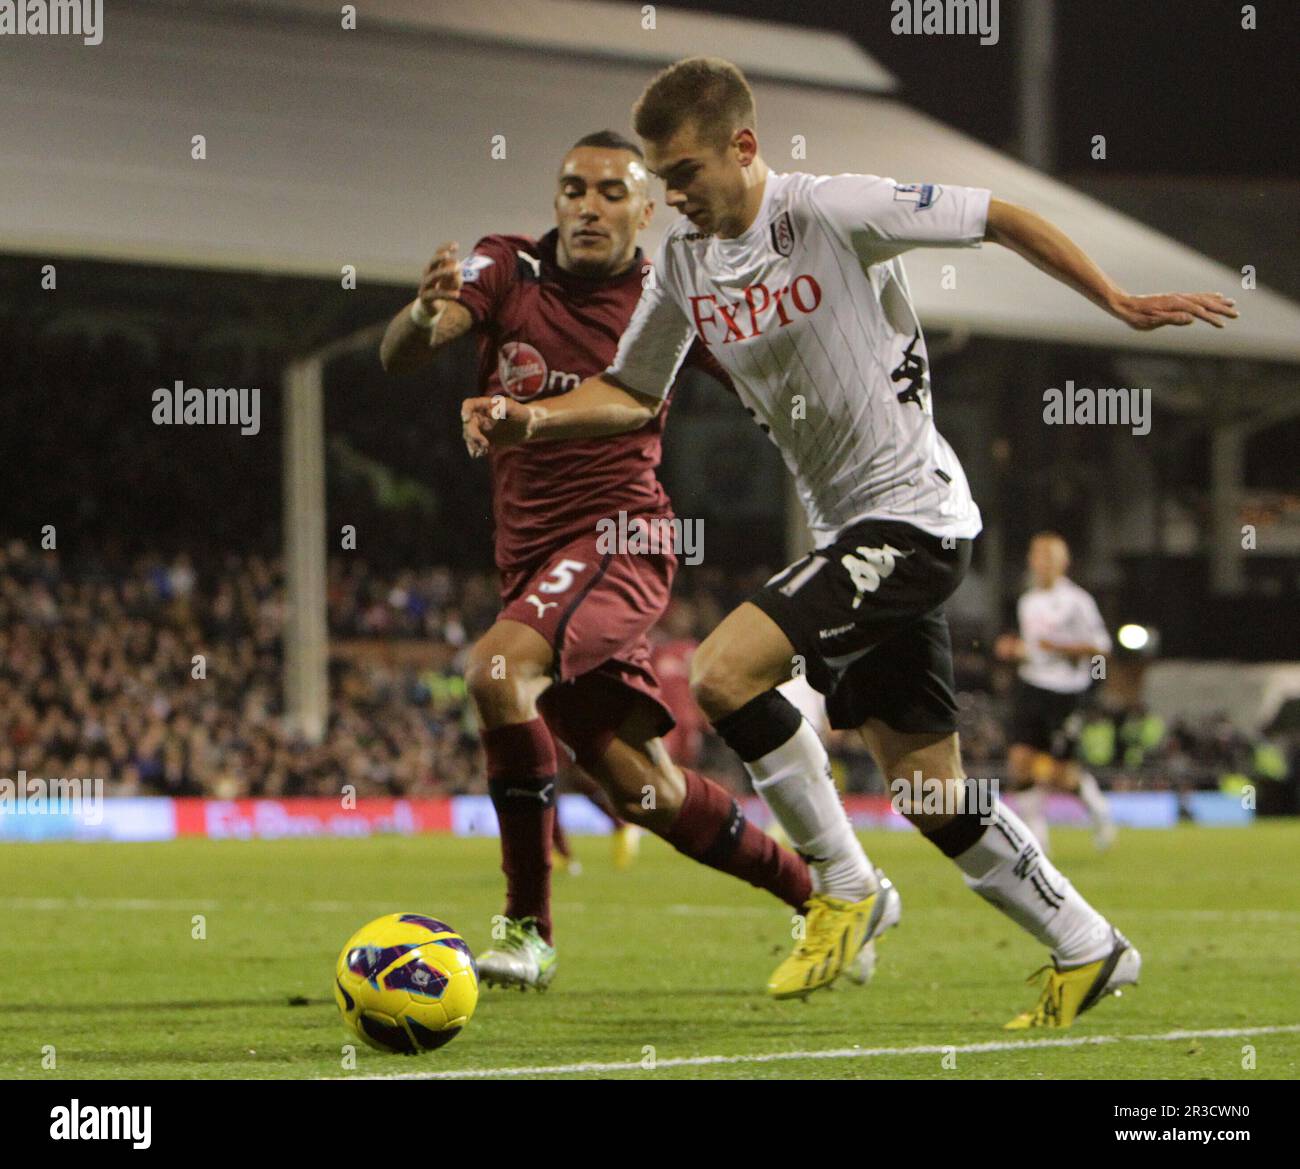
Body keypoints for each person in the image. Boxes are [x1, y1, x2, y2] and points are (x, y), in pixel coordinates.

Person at [461, 57, 1237, 1023]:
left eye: (688, 173)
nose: (676, 196)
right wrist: (528, 420)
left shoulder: (833, 208)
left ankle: (845, 886)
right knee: (928, 790)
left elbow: (999, 213)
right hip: (850, 530)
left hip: (913, 514)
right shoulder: (688, 266)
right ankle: (1089, 944)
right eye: (664, 179)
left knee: (721, 672)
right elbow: (628, 391)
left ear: (744, 149)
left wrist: (1115, 300)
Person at [381, 130, 813, 992]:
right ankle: (825, 893)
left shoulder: (669, 297)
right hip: (534, 564)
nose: (589, 205)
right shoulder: (507, 268)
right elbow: (404, 349)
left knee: (496, 671)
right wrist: (426, 316)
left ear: (646, 211)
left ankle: (526, 930)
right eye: (574, 188)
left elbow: (772, 381)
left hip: (623, 538)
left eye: (613, 192)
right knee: (639, 791)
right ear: (554, 203)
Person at [995, 533, 1116, 853]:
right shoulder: (1027, 601)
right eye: (1037, 556)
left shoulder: (1078, 601)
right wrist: (1015, 649)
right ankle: (1037, 840)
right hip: (1031, 685)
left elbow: (1102, 648)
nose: (1042, 563)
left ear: (1063, 563)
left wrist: (1060, 648)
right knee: (1020, 762)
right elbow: (1033, 649)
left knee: (1061, 774)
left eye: (1049, 557)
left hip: (1065, 692)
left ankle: (1098, 810)